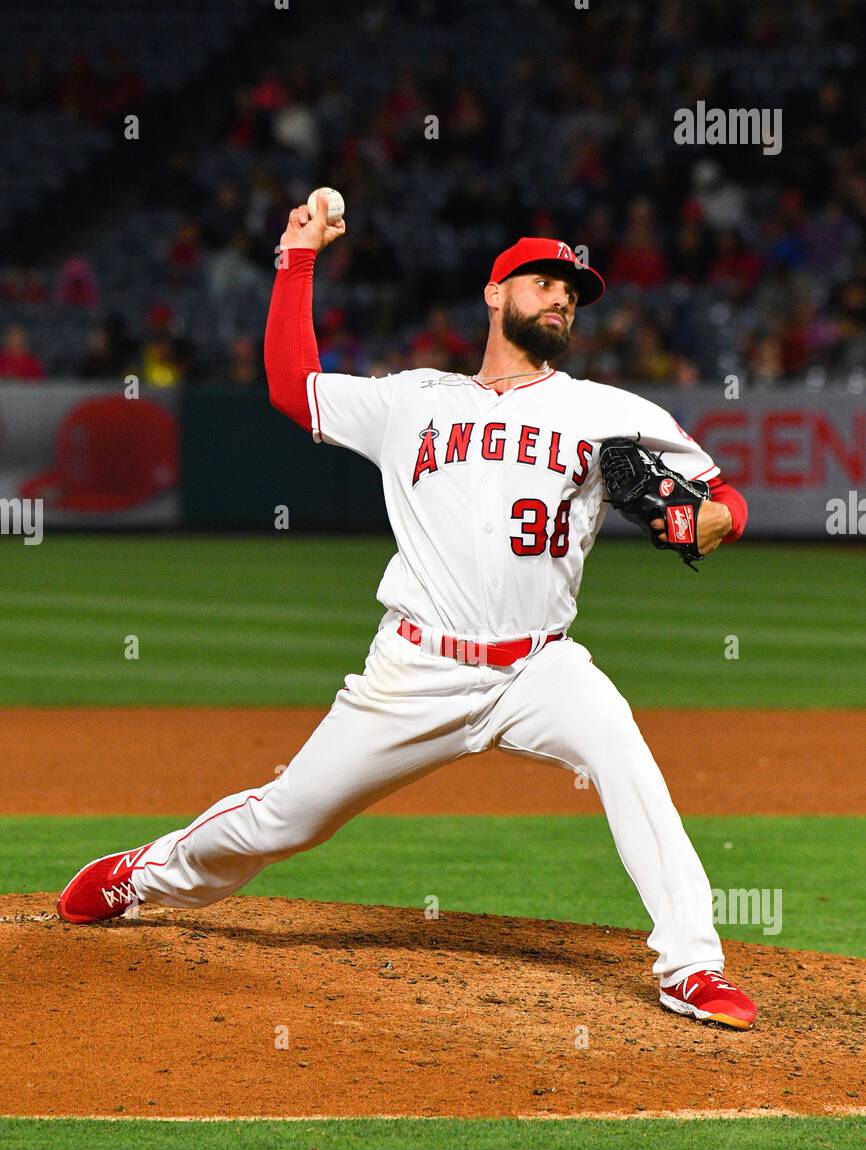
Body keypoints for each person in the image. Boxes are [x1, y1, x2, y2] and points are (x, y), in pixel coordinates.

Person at [58, 195, 756, 1030]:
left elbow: (726, 505)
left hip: (540, 665)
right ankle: (149, 874)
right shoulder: (414, 400)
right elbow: (293, 387)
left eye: (574, 290)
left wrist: (694, 521)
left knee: (625, 756)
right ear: (495, 294)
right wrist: (298, 257)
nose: (563, 298)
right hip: (417, 667)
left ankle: (692, 966)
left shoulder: (614, 412)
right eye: (545, 282)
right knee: (289, 817)